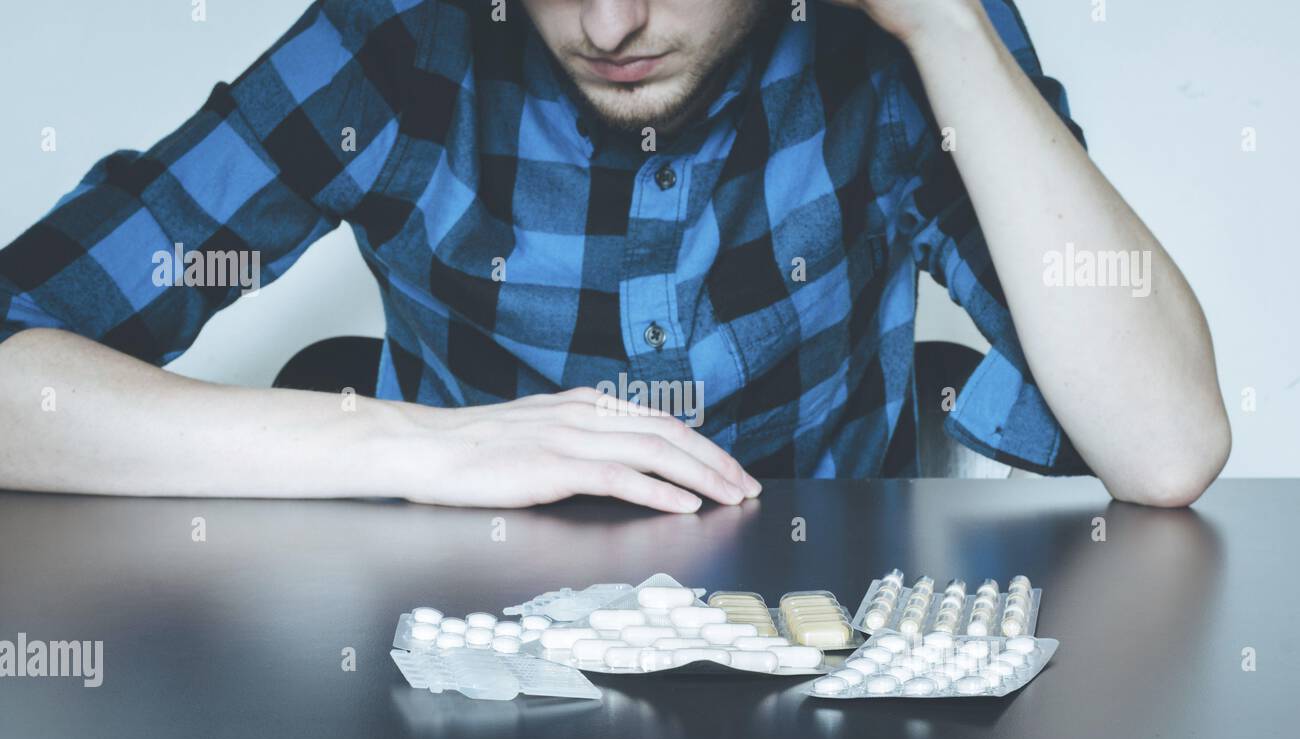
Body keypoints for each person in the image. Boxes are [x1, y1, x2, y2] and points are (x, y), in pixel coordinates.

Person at [0, 0, 1230, 511]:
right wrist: (404, 444)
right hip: (458, 702)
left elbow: (1165, 444)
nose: (605, 25)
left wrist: (941, 26)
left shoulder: (898, 52)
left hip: (832, 694)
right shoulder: (400, 43)